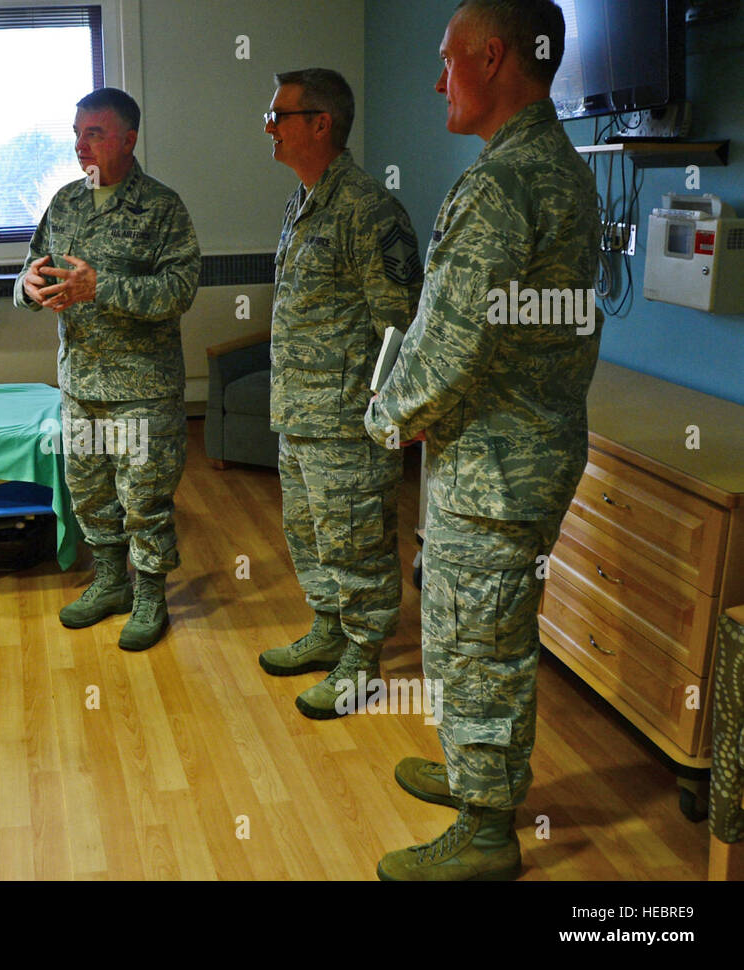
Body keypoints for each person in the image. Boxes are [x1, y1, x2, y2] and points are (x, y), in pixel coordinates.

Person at [365, 0, 601, 879]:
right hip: (526, 448)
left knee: (479, 640)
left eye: (446, 61)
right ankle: (477, 772)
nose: (435, 81)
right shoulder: (558, 166)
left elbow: (455, 341)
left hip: (496, 464)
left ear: (493, 58)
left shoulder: (500, 183)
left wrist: (387, 417)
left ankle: (489, 828)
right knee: (483, 631)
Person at [255, 68, 422, 720]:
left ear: (319, 123)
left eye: (278, 116)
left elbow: (399, 324)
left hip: (348, 422)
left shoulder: (369, 211)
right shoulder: (305, 200)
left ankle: (363, 659)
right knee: (311, 534)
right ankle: (329, 629)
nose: (268, 127)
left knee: (356, 543)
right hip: (300, 413)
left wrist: (379, 411)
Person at [13, 87, 200, 651]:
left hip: (142, 388)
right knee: (91, 495)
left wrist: (103, 288)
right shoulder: (65, 203)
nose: (80, 145)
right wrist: (28, 290)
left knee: (144, 501)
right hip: (80, 385)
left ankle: (149, 598)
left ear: (128, 139)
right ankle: (110, 583)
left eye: (93, 133)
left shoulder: (162, 207)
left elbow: (180, 289)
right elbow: (29, 272)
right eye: (76, 134)